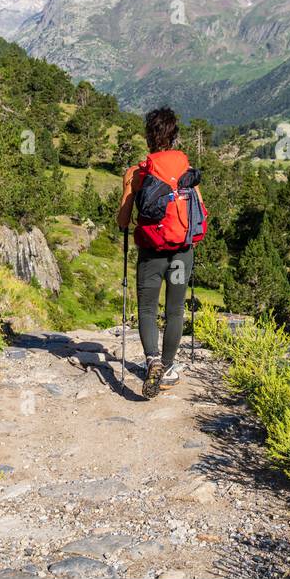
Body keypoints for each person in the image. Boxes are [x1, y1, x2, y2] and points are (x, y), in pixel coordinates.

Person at [117, 107, 202, 399]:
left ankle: (152, 359)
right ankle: (166, 368)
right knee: (175, 309)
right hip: (181, 253)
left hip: (152, 253)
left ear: (148, 136)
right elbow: (199, 213)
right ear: (174, 135)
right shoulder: (186, 171)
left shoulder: (138, 173)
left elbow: (123, 220)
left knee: (148, 309)